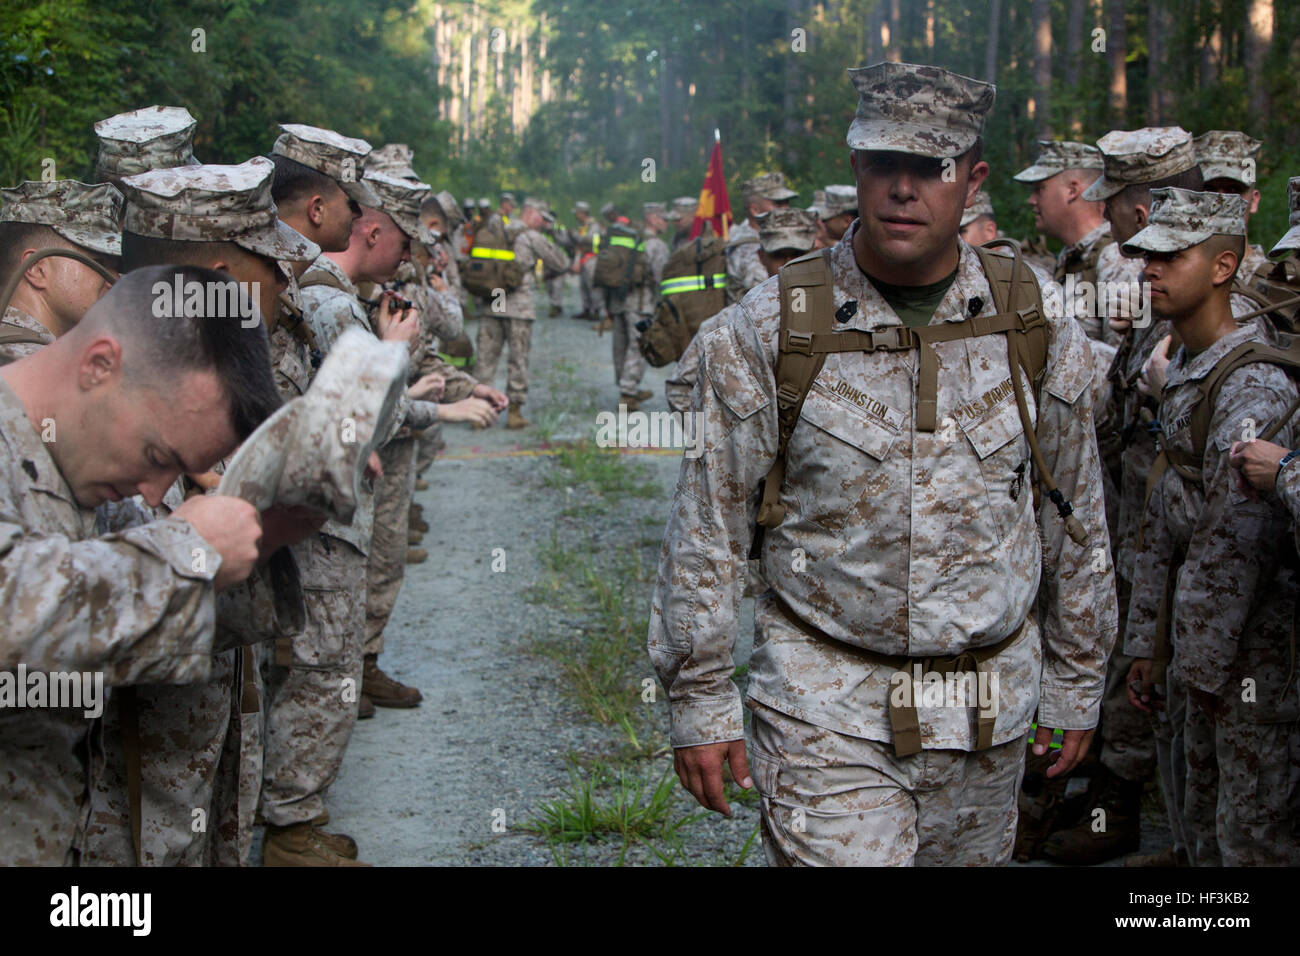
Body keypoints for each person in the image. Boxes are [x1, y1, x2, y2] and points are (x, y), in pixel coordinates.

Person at [648, 60, 1115, 866]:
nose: (905, 189)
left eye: (929, 168)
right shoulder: (767, 329)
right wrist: (699, 699)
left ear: (972, 181)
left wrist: (1077, 681)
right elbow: (708, 527)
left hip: (986, 709)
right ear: (855, 167)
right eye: (884, 165)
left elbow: (1074, 507)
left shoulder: (1031, 320)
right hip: (824, 708)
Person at [78, 156, 322, 868]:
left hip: (200, 688)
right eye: (266, 265)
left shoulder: (189, 369)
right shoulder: (113, 388)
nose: (284, 282)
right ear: (217, 276)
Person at [0, 265, 277, 865]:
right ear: (100, 365)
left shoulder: (76, 477)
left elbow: (139, 620)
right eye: (157, 456)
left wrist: (274, 531)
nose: (154, 493)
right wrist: (187, 549)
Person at [1039, 127, 1204, 866]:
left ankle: (1151, 820)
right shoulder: (1139, 272)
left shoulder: (1172, 279)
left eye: (1125, 205)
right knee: (1136, 660)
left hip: (1178, 519)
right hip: (1135, 507)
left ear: (1143, 204)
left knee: (1170, 668)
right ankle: (1153, 818)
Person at [1122, 187, 1300, 866]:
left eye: (1171, 254)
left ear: (1224, 267)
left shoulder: (1253, 388)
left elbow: (1231, 552)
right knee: (1201, 829)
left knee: (1252, 841)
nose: (1150, 268)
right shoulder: (1191, 368)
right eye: (1147, 254)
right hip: (1205, 657)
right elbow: (1160, 520)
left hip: (1251, 665)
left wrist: (1193, 671)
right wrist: (1148, 643)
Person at [664, 205, 818, 414]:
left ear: (815, 253)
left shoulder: (843, 318)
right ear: (762, 257)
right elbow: (680, 389)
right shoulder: (728, 322)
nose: (789, 263)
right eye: (779, 255)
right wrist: (718, 440)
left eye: (798, 253)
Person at [0, 180, 122, 363]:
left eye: (117, 267)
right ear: (37, 269)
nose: (114, 278)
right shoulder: (34, 367)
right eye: (99, 262)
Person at [472, 197, 568, 429]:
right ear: (532, 213)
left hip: (494, 300)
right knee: (518, 359)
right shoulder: (530, 236)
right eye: (542, 219)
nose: (544, 224)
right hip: (518, 306)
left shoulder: (496, 229)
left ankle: (478, 413)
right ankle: (514, 412)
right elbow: (561, 262)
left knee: (485, 358)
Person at [1013, 140, 1112, 341]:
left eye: (1040, 189)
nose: (1031, 200)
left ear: (1072, 190)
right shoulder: (1071, 259)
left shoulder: (1115, 257)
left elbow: (1125, 366)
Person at [611, 202, 670, 412]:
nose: (667, 223)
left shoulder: (630, 239)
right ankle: (628, 394)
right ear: (652, 219)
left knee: (622, 346)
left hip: (620, 301)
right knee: (638, 346)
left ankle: (628, 387)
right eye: (664, 218)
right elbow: (660, 278)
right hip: (642, 303)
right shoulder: (657, 245)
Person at [725, 172, 797, 304]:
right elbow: (766, 295)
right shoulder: (748, 247)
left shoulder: (768, 237)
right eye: (778, 204)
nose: (786, 208)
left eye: (787, 202)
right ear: (755, 210)